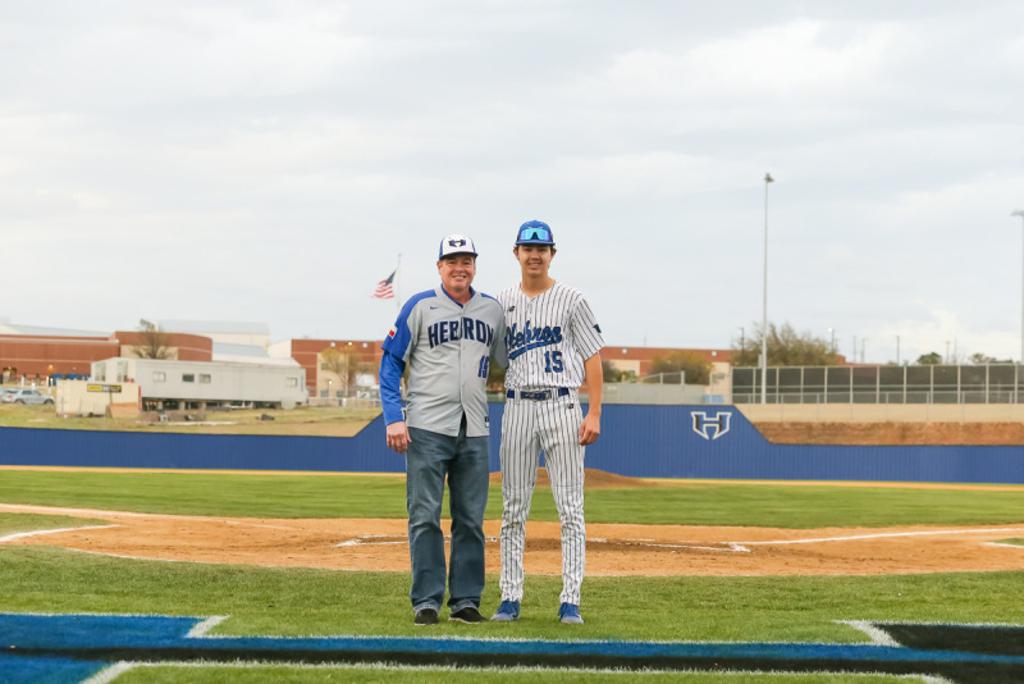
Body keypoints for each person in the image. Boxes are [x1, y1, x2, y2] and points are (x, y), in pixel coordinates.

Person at [379, 234, 507, 626]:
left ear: (474, 266)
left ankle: (466, 601)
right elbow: (389, 364)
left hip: (475, 427)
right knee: (424, 516)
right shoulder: (420, 306)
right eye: (452, 260)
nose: (459, 267)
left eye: (466, 260)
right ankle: (427, 601)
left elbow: (504, 361)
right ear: (439, 267)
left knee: (471, 519)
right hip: (426, 427)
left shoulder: (492, 311)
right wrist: (393, 416)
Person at [491, 220, 604, 625]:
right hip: (518, 405)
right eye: (527, 247)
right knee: (512, 509)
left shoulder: (571, 299)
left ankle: (570, 599)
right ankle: (509, 597)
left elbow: (592, 357)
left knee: (570, 509)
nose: (534, 254)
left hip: (561, 403)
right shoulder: (500, 302)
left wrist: (593, 411)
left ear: (552, 253)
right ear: (516, 253)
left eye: (541, 248)